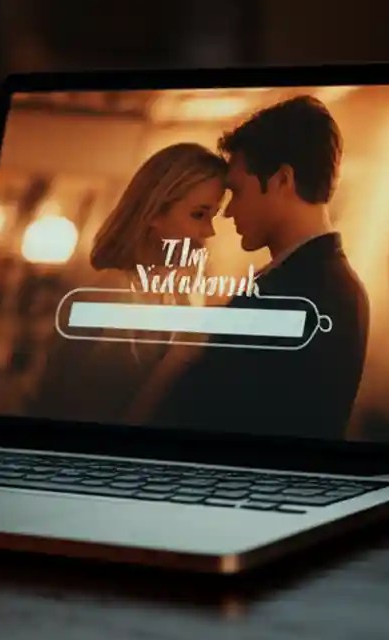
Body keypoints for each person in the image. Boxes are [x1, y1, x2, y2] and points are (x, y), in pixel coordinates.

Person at [141, 95, 370, 439]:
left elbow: (192, 419)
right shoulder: (327, 280)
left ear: (281, 180)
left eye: (237, 191)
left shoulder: (294, 292)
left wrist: (180, 358)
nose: (229, 212)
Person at [30, 143, 226, 422]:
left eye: (213, 216)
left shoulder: (181, 296)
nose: (209, 231)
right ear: (154, 212)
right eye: (198, 214)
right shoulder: (111, 294)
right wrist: (179, 358)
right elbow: (97, 419)